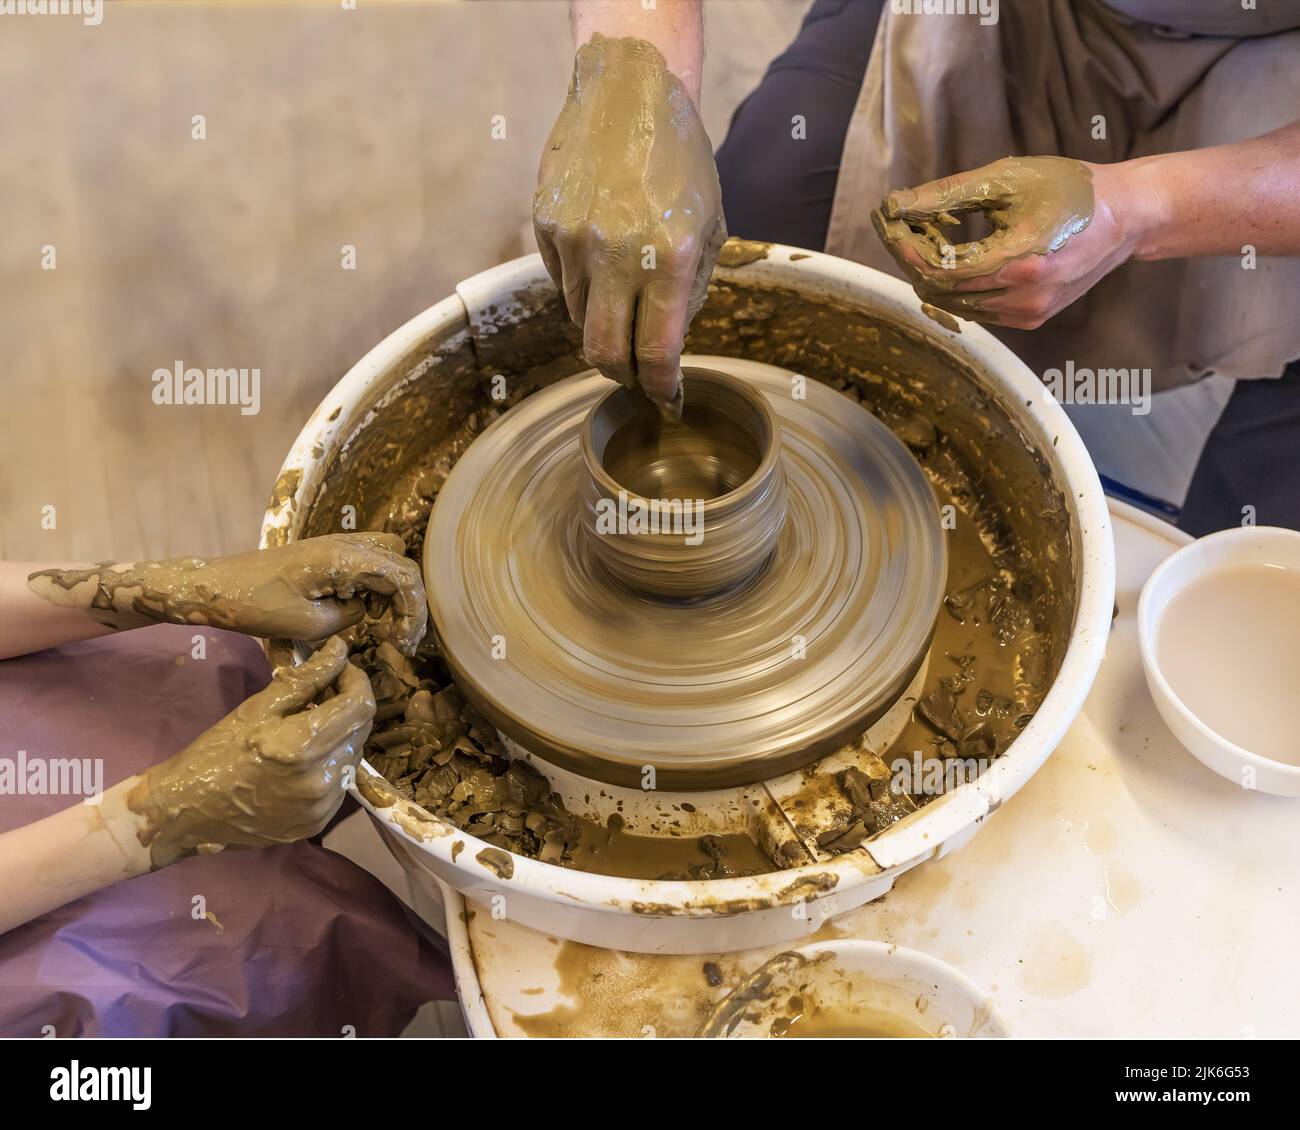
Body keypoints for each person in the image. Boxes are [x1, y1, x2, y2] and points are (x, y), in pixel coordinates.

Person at [535, 0, 1300, 533]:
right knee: (757, 202)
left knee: (1257, 559)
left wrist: (1141, 208)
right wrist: (634, 77)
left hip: (1273, 77)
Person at [0, 533, 426, 936]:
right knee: (264, 923)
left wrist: (188, 586)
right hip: (30, 893)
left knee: (212, 661)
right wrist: (161, 816)